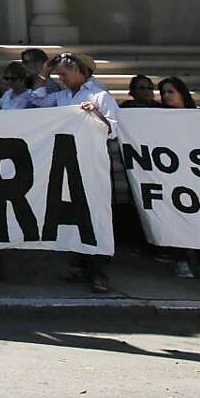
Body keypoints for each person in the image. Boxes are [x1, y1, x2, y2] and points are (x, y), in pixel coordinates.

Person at [41, 53, 119, 294]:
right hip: (67, 161)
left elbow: (114, 129)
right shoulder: (61, 97)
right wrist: (43, 74)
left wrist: (95, 113)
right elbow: (35, 103)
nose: (60, 79)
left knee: (93, 215)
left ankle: (98, 271)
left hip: (92, 163)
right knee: (73, 213)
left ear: (79, 71)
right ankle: (78, 265)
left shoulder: (99, 96)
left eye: (64, 74)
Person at [154, 77, 200, 281]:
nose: (166, 96)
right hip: (172, 175)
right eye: (163, 93)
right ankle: (180, 260)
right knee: (177, 218)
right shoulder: (156, 118)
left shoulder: (199, 116)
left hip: (197, 175)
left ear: (182, 93)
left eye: (170, 91)